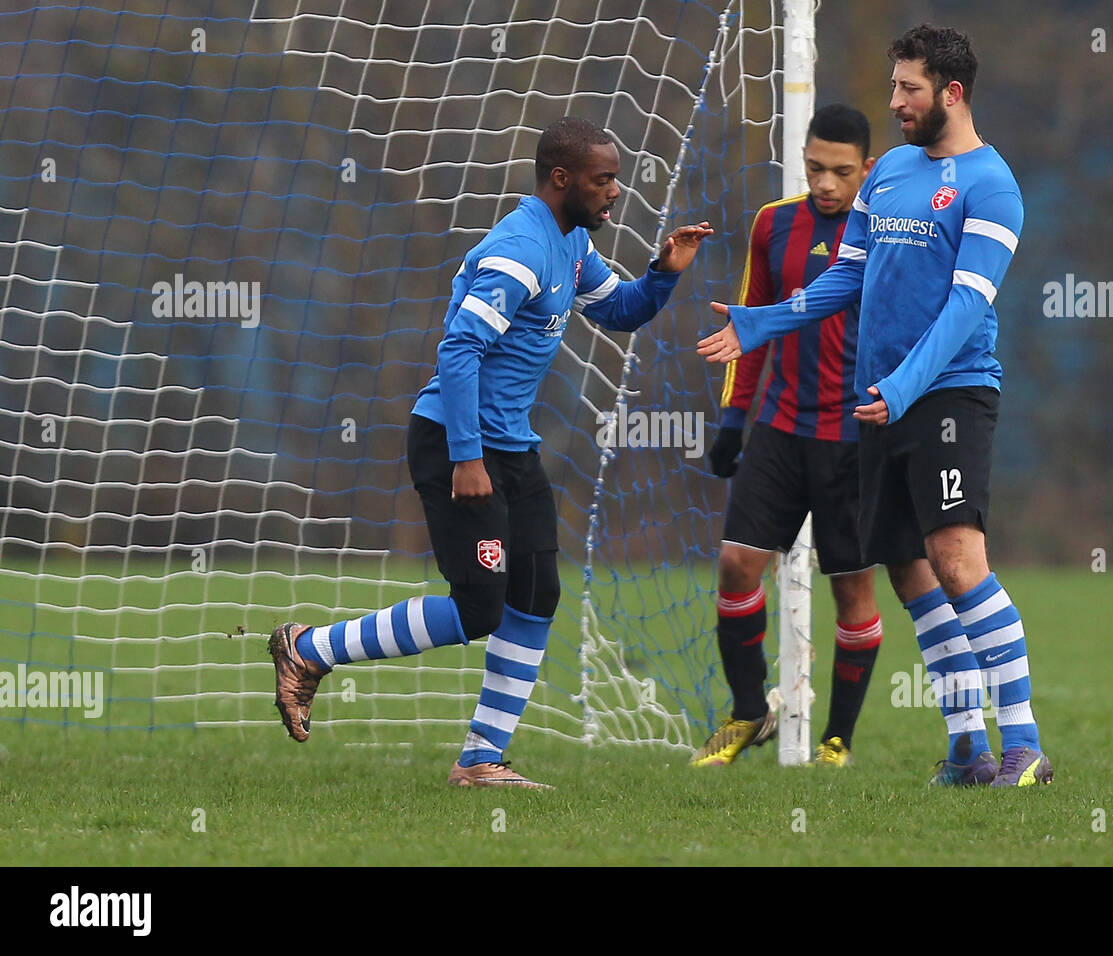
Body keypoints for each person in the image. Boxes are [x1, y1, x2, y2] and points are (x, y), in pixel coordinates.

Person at [268, 116, 712, 789]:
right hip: (455, 442)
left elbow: (619, 310)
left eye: (616, 177)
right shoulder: (520, 251)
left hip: (509, 447)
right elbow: (459, 348)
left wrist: (663, 274)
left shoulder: (571, 245)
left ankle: (480, 761)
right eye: (604, 179)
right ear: (561, 179)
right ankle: (308, 649)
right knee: (480, 607)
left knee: (537, 593)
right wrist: (467, 458)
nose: (617, 190)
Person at [698, 24, 1052, 787]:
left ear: (951, 94)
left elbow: (966, 308)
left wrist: (902, 386)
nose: (894, 101)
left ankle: (1023, 743)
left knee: (958, 562)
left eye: (909, 88)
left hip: (949, 394)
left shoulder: (992, 185)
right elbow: (844, 281)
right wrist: (759, 321)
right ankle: (967, 750)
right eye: (893, 84)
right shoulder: (888, 171)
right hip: (879, 404)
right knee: (908, 571)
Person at [690, 105, 883, 769]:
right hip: (777, 429)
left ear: (867, 168)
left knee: (852, 590)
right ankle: (750, 712)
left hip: (851, 439)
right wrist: (732, 420)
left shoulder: (888, 232)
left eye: (841, 172)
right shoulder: (774, 223)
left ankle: (837, 741)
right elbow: (753, 325)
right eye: (815, 169)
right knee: (737, 565)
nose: (826, 183)